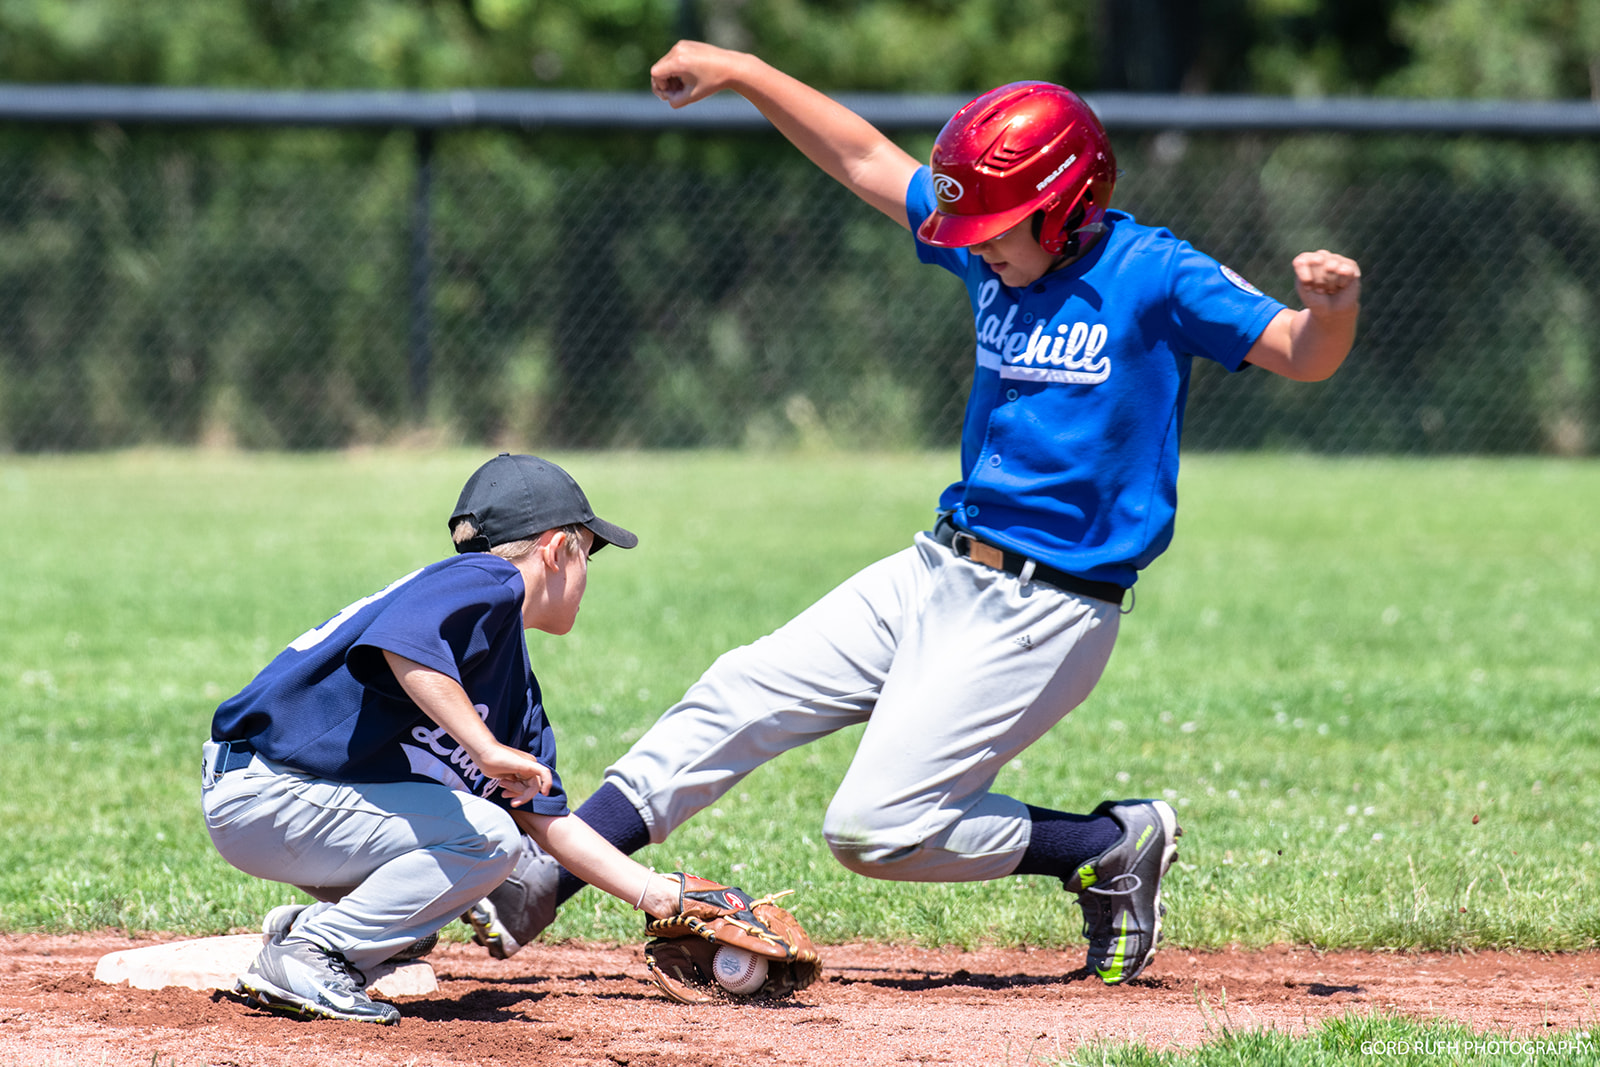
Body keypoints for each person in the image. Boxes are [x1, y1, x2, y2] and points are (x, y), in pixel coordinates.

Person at [463, 42, 1363, 986]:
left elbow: (1302, 354)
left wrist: (1329, 309)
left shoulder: (1154, 272)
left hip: (1049, 607)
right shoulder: (992, 249)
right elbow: (861, 157)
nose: (976, 241)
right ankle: (543, 880)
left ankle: (1105, 843)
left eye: (1002, 225)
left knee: (873, 829)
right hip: (936, 568)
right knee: (738, 692)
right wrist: (742, 71)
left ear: (1071, 207)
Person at [202, 453, 702, 1023]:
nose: (588, 574)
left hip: (288, 801)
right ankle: (311, 953)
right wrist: (484, 748)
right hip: (268, 788)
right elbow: (402, 643)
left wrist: (661, 896)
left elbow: (548, 822)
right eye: (588, 553)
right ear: (558, 549)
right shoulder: (488, 579)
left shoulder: (514, 682)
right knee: (487, 838)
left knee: (432, 902)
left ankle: (305, 934)